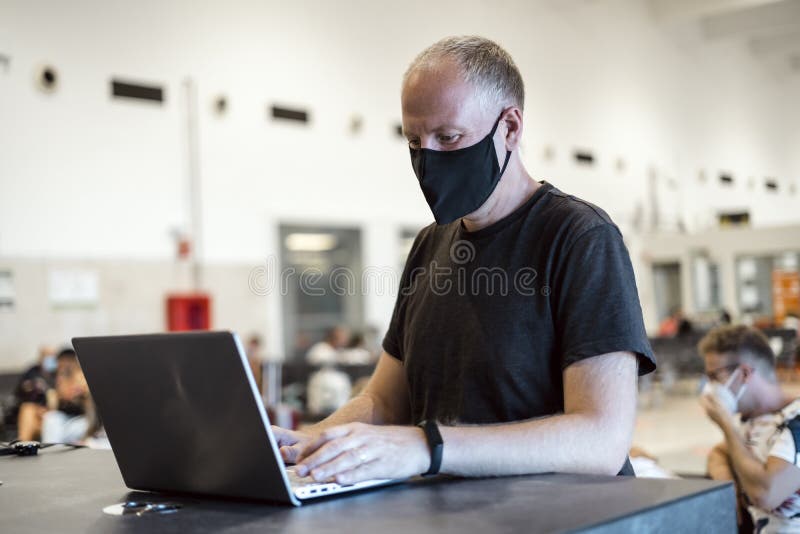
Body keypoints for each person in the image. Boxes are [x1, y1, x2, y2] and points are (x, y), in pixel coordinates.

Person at [273, 35, 655, 485]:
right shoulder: (429, 246)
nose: (428, 158)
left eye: (448, 137)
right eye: (414, 140)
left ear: (510, 128)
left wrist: (428, 446)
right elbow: (385, 400)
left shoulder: (580, 238)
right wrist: (309, 441)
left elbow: (600, 440)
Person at [701, 325, 800, 533]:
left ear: (744, 373)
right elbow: (719, 453)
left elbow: (765, 494)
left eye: (714, 376)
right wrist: (731, 489)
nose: (709, 387)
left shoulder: (795, 419)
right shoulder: (751, 420)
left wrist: (726, 425)